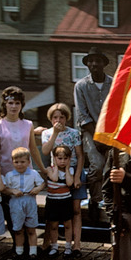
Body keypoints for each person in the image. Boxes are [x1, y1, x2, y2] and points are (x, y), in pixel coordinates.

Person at [74, 47, 113, 221]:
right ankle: (95, 200)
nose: (94, 64)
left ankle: (110, 200)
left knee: (111, 166)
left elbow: (118, 110)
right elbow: (82, 115)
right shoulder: (81, 86)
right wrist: (97, 137)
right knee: (97, 165)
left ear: (104, 63)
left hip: (111, 131)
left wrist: (107, 136)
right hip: (90, 130)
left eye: (98, 61)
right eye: (91, 61)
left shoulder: (113, 84)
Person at [39, 103, 85, 246]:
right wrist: (54, 133)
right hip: (56, 174)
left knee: (76, 209)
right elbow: (45, 151)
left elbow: (80, 155)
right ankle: (47, 244)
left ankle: (75, 244)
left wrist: (77, 176)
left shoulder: (74, 133)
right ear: (50, 119)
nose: (58, 120)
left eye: (62, 117)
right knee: (52, 208)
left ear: (67, 118)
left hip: (73, 170)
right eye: (55, 117)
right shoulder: (46, 133)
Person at [4, 147, 45, 260]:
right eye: (16, 162)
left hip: (30, 200)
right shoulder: (10, 175)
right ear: (12, 162)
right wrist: (12, 191)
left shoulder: (33, 173)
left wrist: (37, 189)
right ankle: (19, 252)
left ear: (28, 162)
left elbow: (42, 184)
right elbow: (4, 189)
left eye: (22, 162)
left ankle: (32, 253)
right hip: (16, 202)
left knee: (31, 228)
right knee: (18, 229)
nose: (19, 165)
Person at [0, 86, 44, 174]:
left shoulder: (28, 124)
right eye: (10, 103)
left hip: (26, 172)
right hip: (6, 172)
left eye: (17, 103)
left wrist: (43, 169)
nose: (14, 106)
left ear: (21, 105)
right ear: (5, 104)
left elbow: (33, 149)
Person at [44, 144, 78, 257]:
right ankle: (54, 246)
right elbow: (54, 178)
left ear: (69, 159)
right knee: (53, 225)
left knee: (68, 224)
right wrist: (56, 166)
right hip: (53, 201)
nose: (62, 161)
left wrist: (67, 169)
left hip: (65, 201)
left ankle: (68, 247)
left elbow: (69, 183)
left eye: (65, 158)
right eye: (59, 158)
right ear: (54, 158)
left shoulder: (71, 170)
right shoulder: (50, 169)